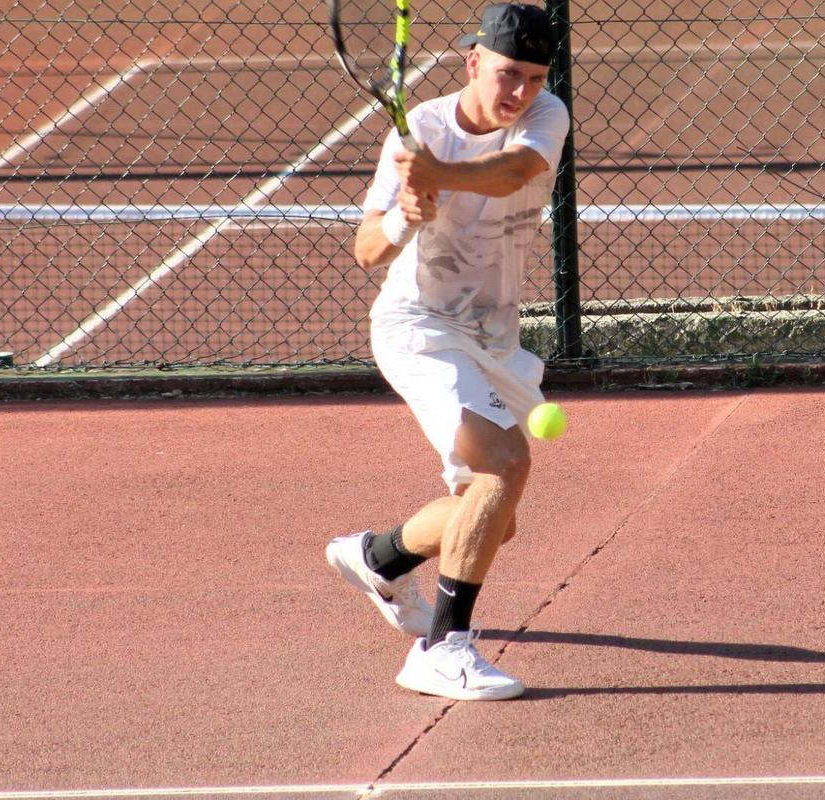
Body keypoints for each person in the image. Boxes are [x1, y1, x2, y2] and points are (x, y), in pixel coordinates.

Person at [325, 2, 570, 702]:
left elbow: (512, 173)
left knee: (496, 518)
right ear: (472, 62)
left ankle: (378, 556)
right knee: (503, 466)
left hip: (493, 337)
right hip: (418, 326)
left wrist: (442, 176)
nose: (519, 90)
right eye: (506, 74)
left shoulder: (544, 117)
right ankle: (443, 648)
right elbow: (365, 250)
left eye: (532, 77)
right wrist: (406, 213)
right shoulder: (423, 127)